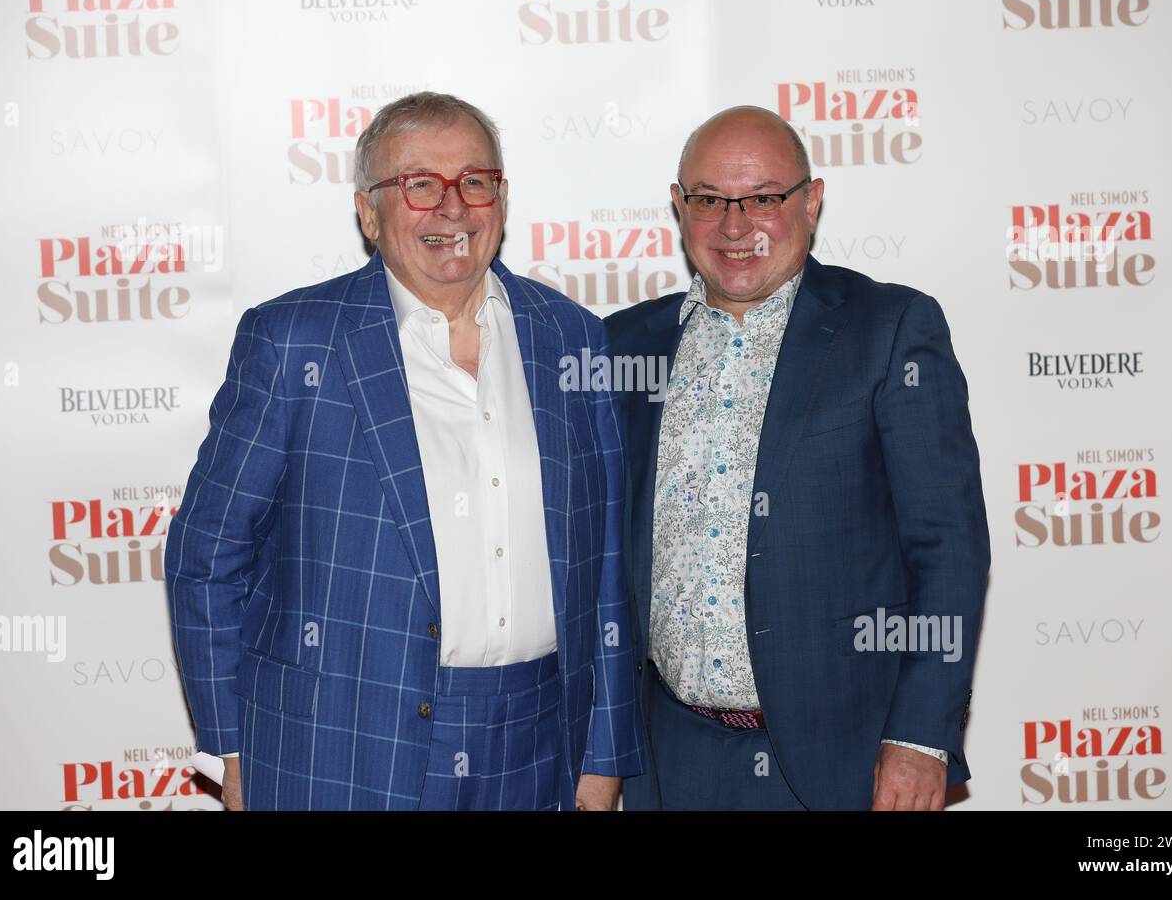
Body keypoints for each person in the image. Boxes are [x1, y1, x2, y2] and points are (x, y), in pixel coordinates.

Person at [166, 92, 642, 810]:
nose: (452, 208)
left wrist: (604, 754)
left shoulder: (573, 338)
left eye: (474, 181)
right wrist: (231, 749)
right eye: (419, 184)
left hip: (536, 742)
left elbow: (606, 560)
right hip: (340, 742)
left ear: (501, 201)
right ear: (367, 212)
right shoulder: (294, 340)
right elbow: (207, 557)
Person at [607, 105, 989, 810]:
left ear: (811, 201)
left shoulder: (890, 330)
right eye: (710, 200)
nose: (734, 224)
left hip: (847, 763)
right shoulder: (623, 346)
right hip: (668, 758)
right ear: (678, 206)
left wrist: (919, 738)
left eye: (764, 198)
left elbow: (950, 550)